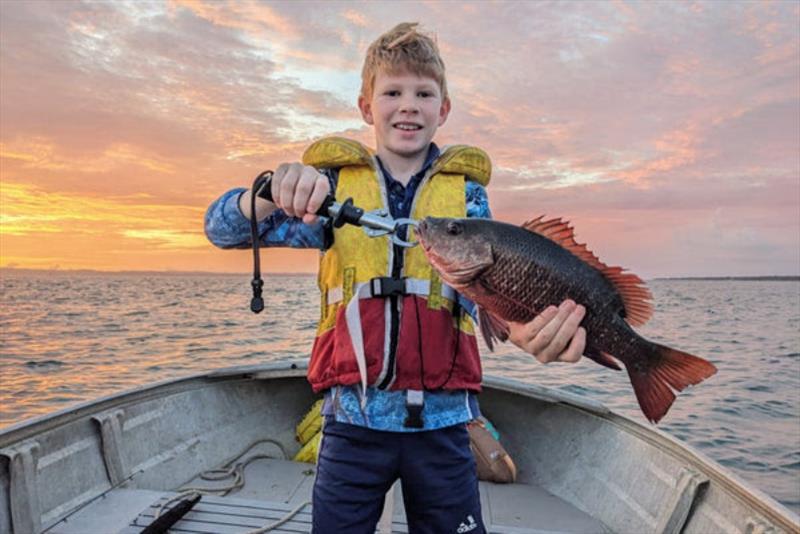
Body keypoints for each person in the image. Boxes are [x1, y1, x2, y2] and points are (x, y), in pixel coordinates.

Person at [205, 22, 585, 534]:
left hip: (447, 424)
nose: (408, 106)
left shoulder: (468, 199)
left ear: (443, 109)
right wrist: (272, 191)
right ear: (367, 107)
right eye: (392, 93)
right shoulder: (330, 192)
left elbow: (484, 299)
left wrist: (528, 334)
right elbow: (222, 230)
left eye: (423, 94)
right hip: (352, 423)